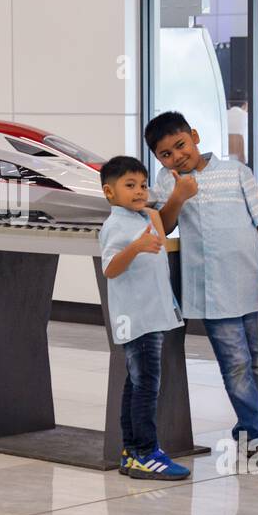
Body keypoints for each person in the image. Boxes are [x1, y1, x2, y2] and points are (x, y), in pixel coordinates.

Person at [147, 112, 258, 466]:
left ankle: (246, 430)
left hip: (251, 284)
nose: (176, 156)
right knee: (235, 366)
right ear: (159, 160)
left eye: (180, 145)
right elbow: (163, 225)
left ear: (194, 136)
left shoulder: (237, 171)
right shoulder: (167, 181)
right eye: (166, 154)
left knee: (257, 365)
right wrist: (178, 195)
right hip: (210, 292)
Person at [98, 155, 189, 480]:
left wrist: (161, 207)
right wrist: (134, 248)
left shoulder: (142, 218)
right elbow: (109, 268)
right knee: (147, 385)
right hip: (137, 320)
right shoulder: (116, 226)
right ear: (110, 193)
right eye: (130, 185)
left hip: (152, 316)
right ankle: (146, 452)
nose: (139, 191)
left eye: (142, 184)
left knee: (136, 385)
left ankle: (133, 451)